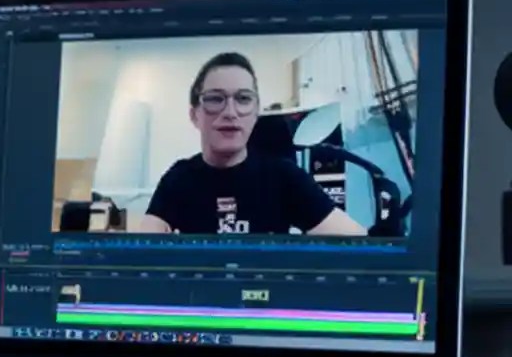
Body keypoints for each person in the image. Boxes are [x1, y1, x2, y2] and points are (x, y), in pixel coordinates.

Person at [138, 52, 367, 236]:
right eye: (215, 99)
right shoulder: (178, 178)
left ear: (255, 114)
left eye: (243, 99)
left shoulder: (284, 176)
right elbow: (141, 253)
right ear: (194, 115)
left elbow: (358, 244)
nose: (230, 112)